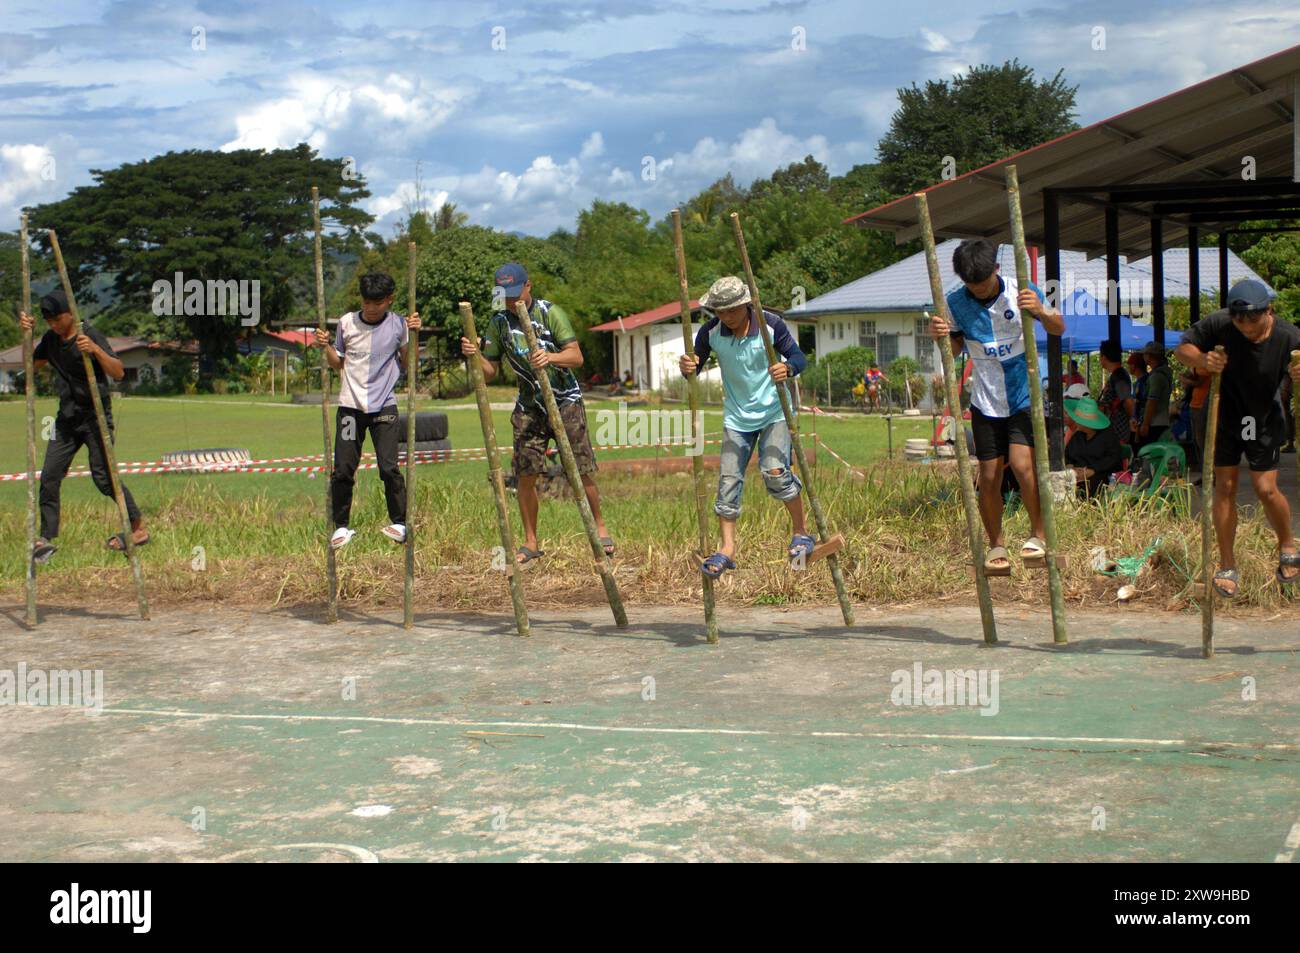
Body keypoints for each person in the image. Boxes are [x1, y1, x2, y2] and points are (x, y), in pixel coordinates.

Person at [928, 238, 1065, 573]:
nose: (979, 290)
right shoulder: (956, 303)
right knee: (988, 475)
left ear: (996, 271)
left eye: (984, 283)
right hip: (985, 399)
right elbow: (956, 348)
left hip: (1022, 394)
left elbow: (1058, 327)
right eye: (972, 285)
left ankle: (1038, 536)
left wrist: (1042, 310)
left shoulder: (1022, 289)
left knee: (1022, 465)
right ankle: (996, 545)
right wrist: (942, 335)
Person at [461, 262, 613, 563]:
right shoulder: (498, 322)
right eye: (504, 295)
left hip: (564, 401)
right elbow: (489, 372)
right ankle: (531, 541)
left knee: (580, 469)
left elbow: (576, 356)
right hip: (529, 406)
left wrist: (551, 357)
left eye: (515, 293)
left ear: (528, 286)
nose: (510, 300)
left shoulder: (549, 312)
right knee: (525, 473)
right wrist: (474, 354)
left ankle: (599, 526)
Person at [1173, 279, 1300, 596]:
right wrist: (1202, 360)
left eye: (1252, 320)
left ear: (1268, 311)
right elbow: (1182, 348)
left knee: (1265, 488)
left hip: (1262, 415)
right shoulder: (1219, 322)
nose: (1244, 326)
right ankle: (1227, 564)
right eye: (1238, 319)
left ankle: (1287, 543)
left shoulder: (1289, 335)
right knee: (1225, 485)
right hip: (1224, 412)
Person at [679, 275, 808, 578]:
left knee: (775, 472)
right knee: (727, 482)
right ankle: (727, 549)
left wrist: (787, 368)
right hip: (736, 418)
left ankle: (801, 531)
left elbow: (799, 358)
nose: (726, 317)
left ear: (745, 304)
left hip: (775, 411)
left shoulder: (769, 325)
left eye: (731, 311)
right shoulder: (711, 332)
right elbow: (694, 366)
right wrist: (688, 367)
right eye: (719, 312)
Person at [19, 289, 148, 563]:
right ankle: (45, 539)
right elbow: (31, 367)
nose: (54, 324)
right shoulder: (50, 341)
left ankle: (138, 528)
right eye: (49, 321)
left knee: (103, 477)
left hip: (95, 417)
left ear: (69, 313)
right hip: (66, 419)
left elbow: (118, 372)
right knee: (50, 475)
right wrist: (27, 337)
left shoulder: (88, 333)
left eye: (57, 319)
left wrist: (95, 350)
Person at [316, 272, 420, 549]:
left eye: (378, 303)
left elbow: (409, 364)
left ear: (389, 300)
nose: (371, 309)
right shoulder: (346, 323)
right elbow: (337, 363)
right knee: (343, 469)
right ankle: (341, 527)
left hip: (384, 406)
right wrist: (325, 345)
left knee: (389, 467)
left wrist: (415, 334)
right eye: (367, 302)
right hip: (351, 407)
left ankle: (400, 523)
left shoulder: (400, 324)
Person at [1063, 395, 1123, 497]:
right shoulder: (1078, 436)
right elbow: (1067, 455)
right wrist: (1070, 467)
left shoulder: (1108, 437)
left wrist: (1092, 470)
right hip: (1076, 479)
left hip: (1100, 480)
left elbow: (1114, 460)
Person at [1133, 341, 1172, 448]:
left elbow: (1152, 401)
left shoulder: (1156, 376)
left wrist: (1145, 424)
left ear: (1149, 356)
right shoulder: (1164, 373)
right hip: (1160, 422)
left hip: (1155, 424)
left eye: (1145, 354)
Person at [1097, 340, 1134, 442]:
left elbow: (1128, 401)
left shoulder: (1119, 376)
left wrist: (1133, 420)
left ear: (1104, 357)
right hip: (1115, 431)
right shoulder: (1117, 375)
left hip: (1118, 433)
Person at [1179, 360, 1212, 466]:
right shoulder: (1196, 365)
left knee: (1201, 441)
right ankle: (1203, 471)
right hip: (1195, 404)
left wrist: (1184, 379)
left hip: (1202, 405)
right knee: (1196, 441)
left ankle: (1209, 473)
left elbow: (1198, 382)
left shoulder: (1205, 365)